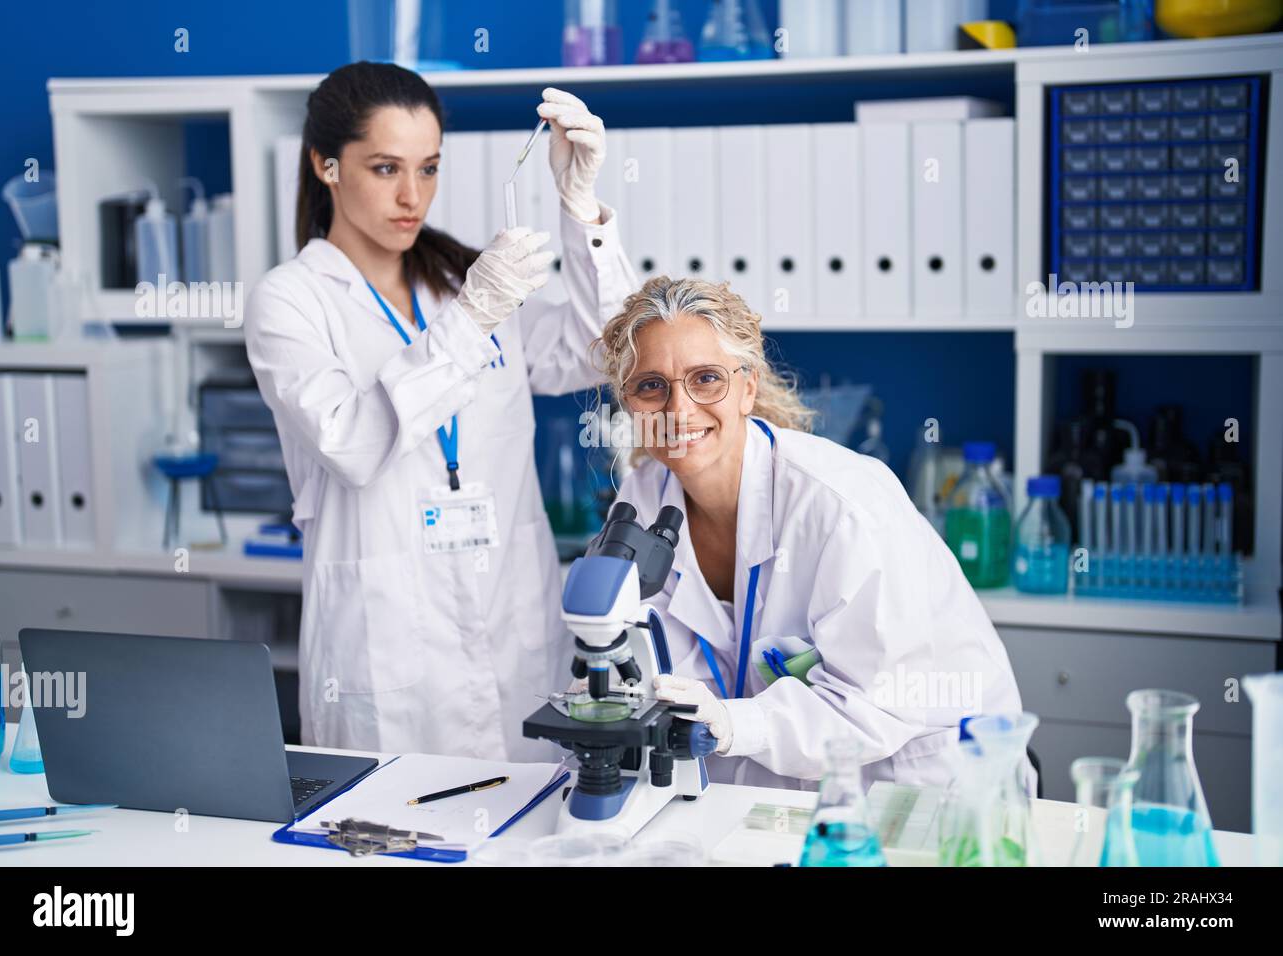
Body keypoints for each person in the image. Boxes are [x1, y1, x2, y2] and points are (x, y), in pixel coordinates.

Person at [244, 62, 636, 759]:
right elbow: (353, 443)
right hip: (389, 653)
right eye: (385, 168)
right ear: (325, 165)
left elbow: (608, 352)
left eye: (428, 169)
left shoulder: (459, 280)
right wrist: (471, 318)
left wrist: (581, 210)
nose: (411, 196)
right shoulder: (291, 300)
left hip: (511, 628)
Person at [595, 276, 1024, 790]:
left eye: (706, 378)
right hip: (765, 788)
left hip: (925, 778)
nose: (678, 410)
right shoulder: (639, 505)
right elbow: (662, 670)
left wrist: (736, 724)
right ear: (628, 403)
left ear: (748, 387)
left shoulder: (839, 506)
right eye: (651, 386)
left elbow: (875, 700)